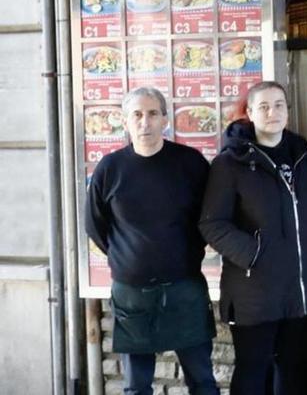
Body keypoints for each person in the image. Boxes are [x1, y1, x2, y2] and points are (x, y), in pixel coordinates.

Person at [85, 87, 218, 395]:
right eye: (137, 114)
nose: (145, 121)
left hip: (185, 286)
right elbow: (95, 224)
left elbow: (210, 217)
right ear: (125, 122)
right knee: (136, 386)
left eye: (152, 113)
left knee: (202, 380)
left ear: (164, 120)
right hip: (132, 292)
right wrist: (128, 255)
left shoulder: (191, 163)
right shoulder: (110, 168)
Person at [199, 81, 307, 395]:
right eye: (264, 106)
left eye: (279, 105)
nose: (272, 112)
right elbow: (212, 224)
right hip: (254, 292)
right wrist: (255, 254)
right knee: (254, 372)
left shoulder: (302, 157)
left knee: (293, 372)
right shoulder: (231, 163)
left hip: (299, 289)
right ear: (250, 113)